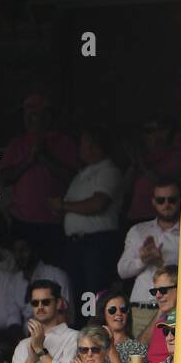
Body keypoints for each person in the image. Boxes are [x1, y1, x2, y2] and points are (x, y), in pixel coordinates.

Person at [0, 94, 79, 264]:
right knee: (22, 271)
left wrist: (45, 158)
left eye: (35, 114)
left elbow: (74, 178)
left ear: (47, 116)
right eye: (27, 114)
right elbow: (5, 177)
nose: (30, 119)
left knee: (52, 273)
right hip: (22, 222)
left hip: (53, 223)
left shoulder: (63, 142)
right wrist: (29, 161)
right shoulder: (17, 143)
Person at [54, 124, 123, 301]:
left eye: (83, 144)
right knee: (77, 293)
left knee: (95, 293)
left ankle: (96, 328)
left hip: (96, 243)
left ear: (94, 146)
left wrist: (63, 205)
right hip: (76, 244)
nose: (80, 149)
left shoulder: (109, 171)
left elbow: (98, 204)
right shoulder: (82, 174)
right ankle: (83, 328)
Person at [117, 179, 181, 339]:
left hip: (174, 308)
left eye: (172, 199)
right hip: (139, 309)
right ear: (153, 202)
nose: (166, 204)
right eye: (161, 200)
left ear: (180, 199)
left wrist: (161, 264)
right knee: (136, 359)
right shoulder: (139, 230)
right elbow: (122, 271)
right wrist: (143, 260)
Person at [124, 115, 181, 224]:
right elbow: (126, 189)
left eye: (161, 129)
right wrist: (134, 164)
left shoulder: (176, 154)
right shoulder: (143, 156)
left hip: (162, 218)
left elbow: (164, 183)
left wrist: (141, 163)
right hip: (136, 217)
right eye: (149, 131)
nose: (155, 134)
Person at [92, 289, 145, 363]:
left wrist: (111, 348)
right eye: (112, 310)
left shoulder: (138, 348)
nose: (119, 313)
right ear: (103, 313)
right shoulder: (91, 345)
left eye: (123, 309)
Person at [139, 265, 178, 358]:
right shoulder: (160, 323)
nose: (157, 295)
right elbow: (139, 349)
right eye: (154, 291)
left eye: (163, 290)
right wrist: (161, 311)